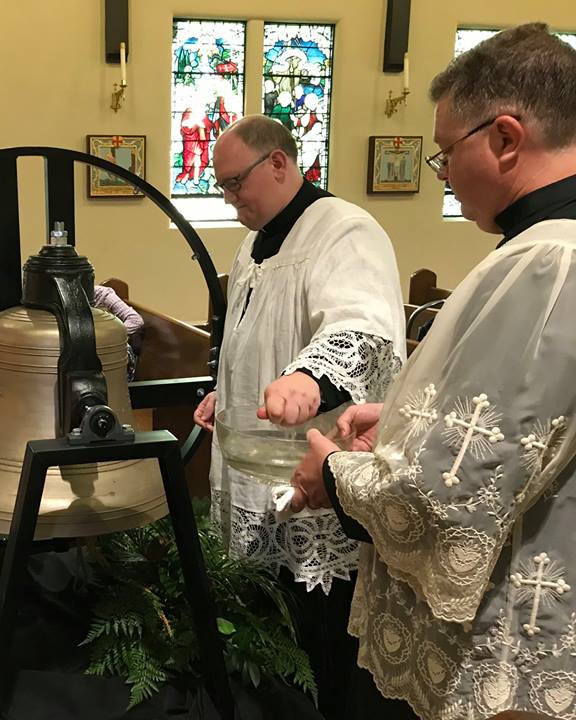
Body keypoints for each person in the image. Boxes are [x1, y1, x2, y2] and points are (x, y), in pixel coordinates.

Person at [292, 24, 576, 720]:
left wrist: (334, 476)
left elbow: (455, 497)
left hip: (502, 633)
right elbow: (524, 426)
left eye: (446, 152)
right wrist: (398, 420)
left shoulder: (547, 261)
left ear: (505, 137)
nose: (442, 172)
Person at [192, 114, 406, 719]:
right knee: (266, 627)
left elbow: (363, 326)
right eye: (222, 185)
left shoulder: (344, 231)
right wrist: (226, 392)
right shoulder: (253, 243)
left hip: (309, 474)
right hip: (255, 464)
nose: (229, 198)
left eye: (235, 182)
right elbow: (250, 337)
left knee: (317, 635)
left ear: (279, 164)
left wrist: (312, 377)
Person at [93, 283, 143, 381]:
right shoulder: (62, 299)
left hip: (112, 350)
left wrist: (108, 337)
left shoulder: (101, 294)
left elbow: (135, 320)